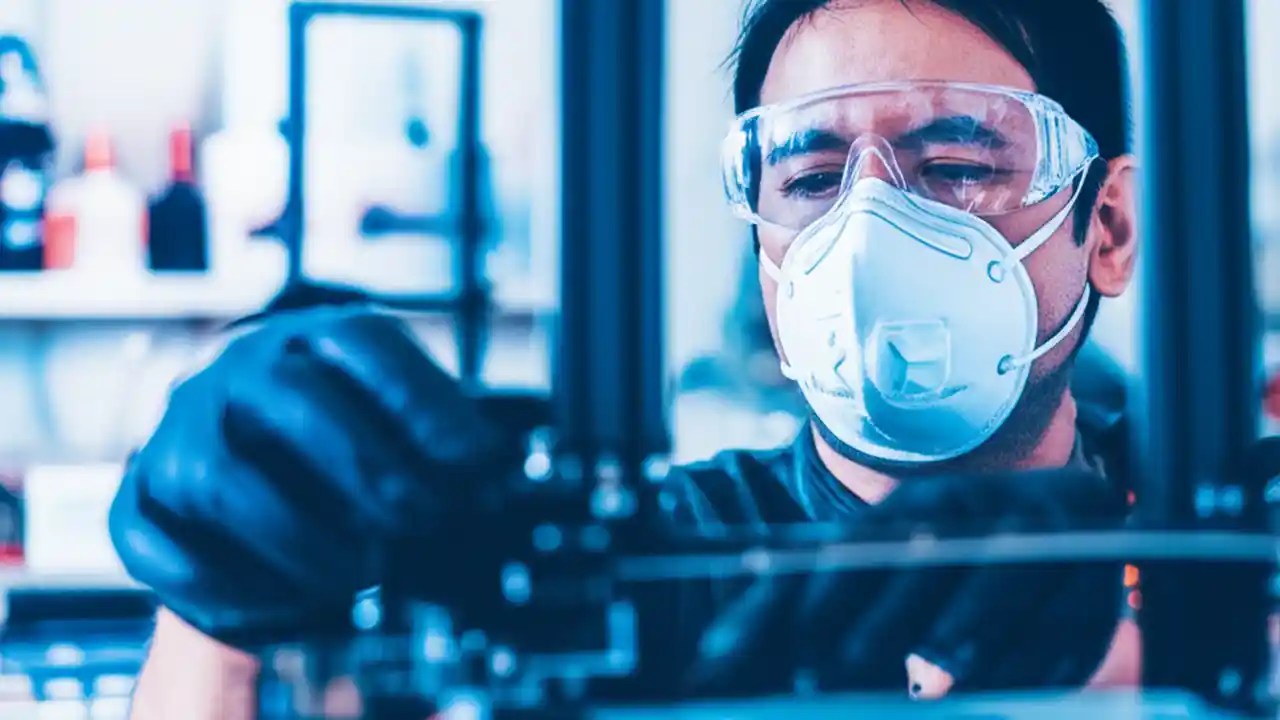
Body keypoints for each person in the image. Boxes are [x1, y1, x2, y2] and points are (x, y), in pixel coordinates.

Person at [110, 0, 1139, 717]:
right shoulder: (642, 560)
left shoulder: (1215, 541)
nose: (870, 229)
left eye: (956, 165)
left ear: (1106, 227)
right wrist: (223, 605)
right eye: (813, 178)